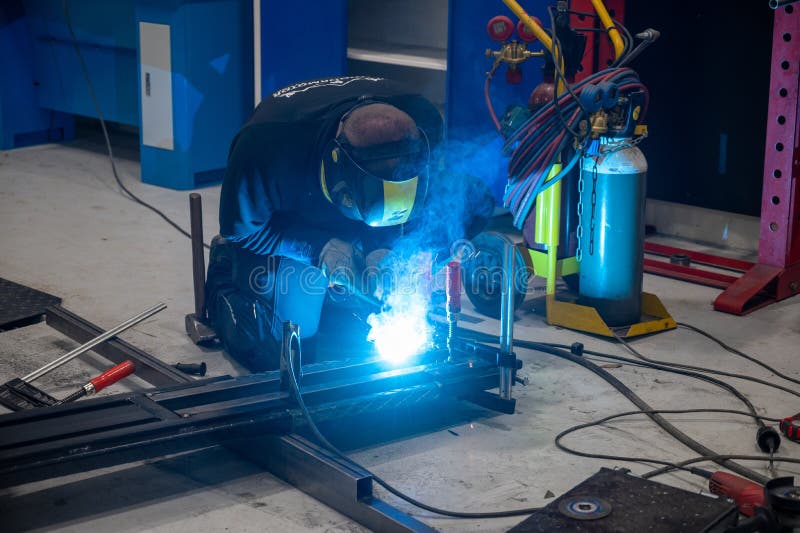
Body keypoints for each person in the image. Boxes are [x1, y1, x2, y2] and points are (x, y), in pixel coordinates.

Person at [205, 76, 493, 371]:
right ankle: (222, 274)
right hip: (290, 222)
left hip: (360, 213)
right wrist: (317, 249)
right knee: (284, 357)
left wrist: (391, 251)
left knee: (360, 321)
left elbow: (459, 203)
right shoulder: (264, 148)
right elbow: (244, 231)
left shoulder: (422, 125)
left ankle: (337, 296)